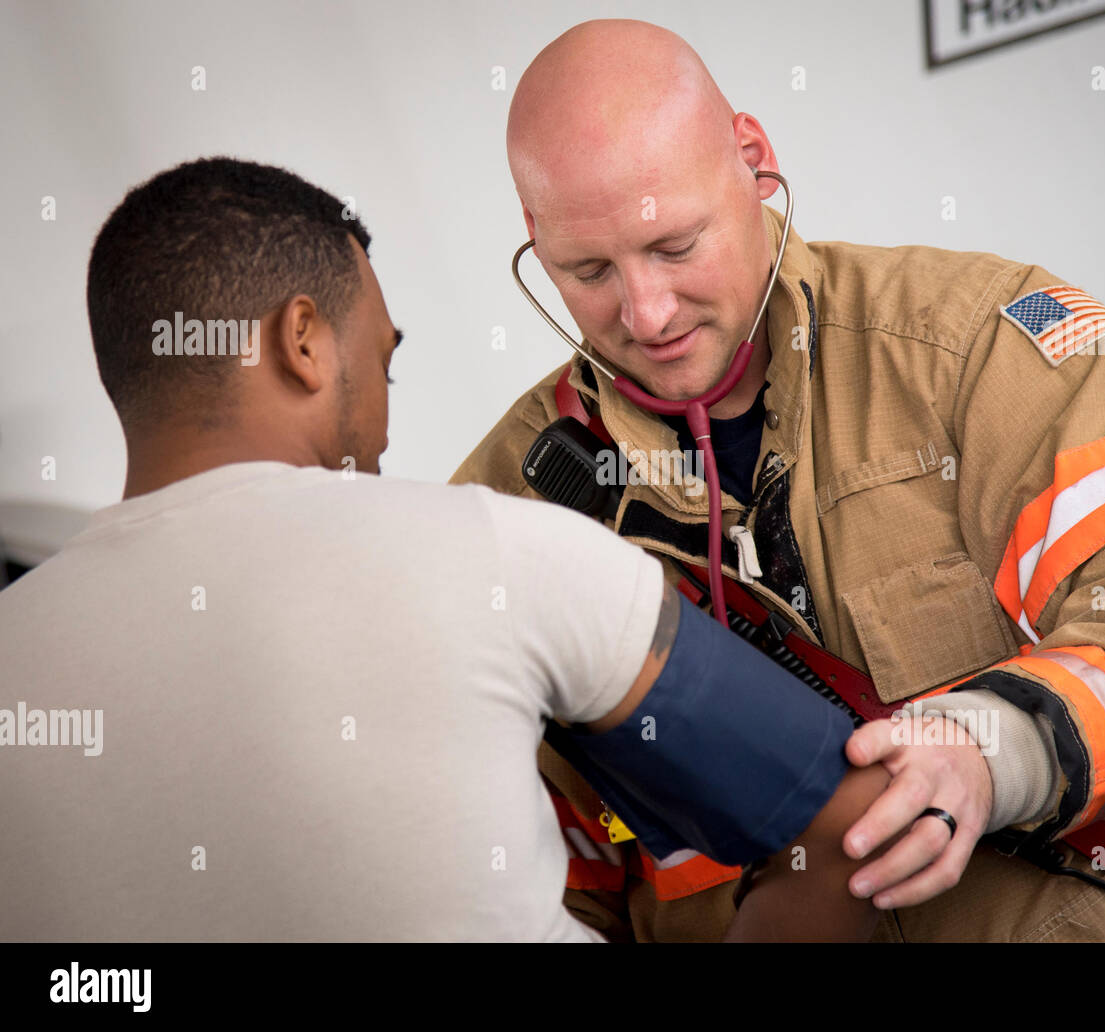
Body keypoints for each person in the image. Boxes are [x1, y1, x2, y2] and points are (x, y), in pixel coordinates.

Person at [451, 19, 1105, 942]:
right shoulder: (497, 519)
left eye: (676, 247)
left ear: (752, 158)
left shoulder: (974, 346)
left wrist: (996, 748)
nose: (646, 313)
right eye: (589, 270)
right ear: (534, 239)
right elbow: (521, 868)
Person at [0, 157, 890, 942]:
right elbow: (844, 816)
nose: (385, 431)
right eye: (382, 364)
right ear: (302, 343)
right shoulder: (501, 550)